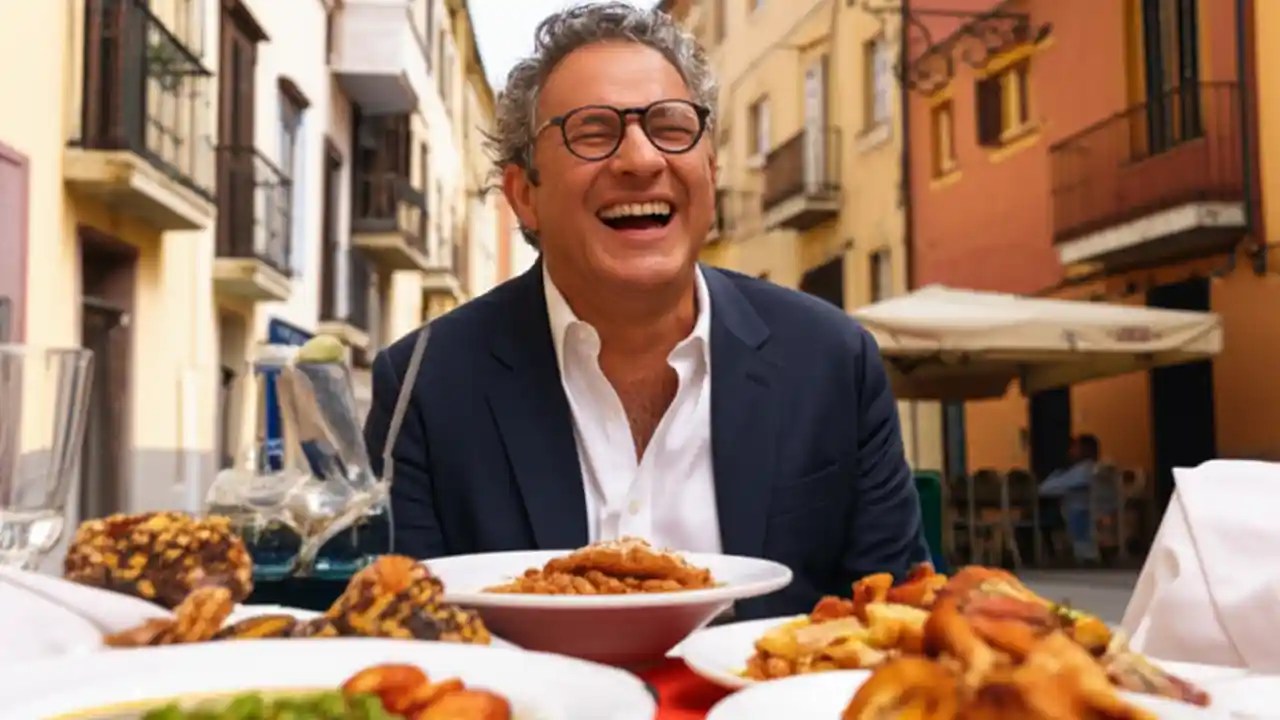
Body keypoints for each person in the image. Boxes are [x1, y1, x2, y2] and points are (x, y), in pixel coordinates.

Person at [362, 2, 928, 618]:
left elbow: (899, 618)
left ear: (709, 170)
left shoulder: (832, 361)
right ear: (524, 195)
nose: (640, 159)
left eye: (671, 125)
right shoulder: (423, 382)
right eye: (592, 131)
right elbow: (404, 631)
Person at [1039, 434, 1102, 563]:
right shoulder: (1097, 469)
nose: (1070, 451)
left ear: (1084, 450)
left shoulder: (1081, 471)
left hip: (1079, 514)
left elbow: (1045, 489)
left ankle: (1051, 555)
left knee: (1041, 515)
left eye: (1075, 448)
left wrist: (1056, 475)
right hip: (1089, 514)